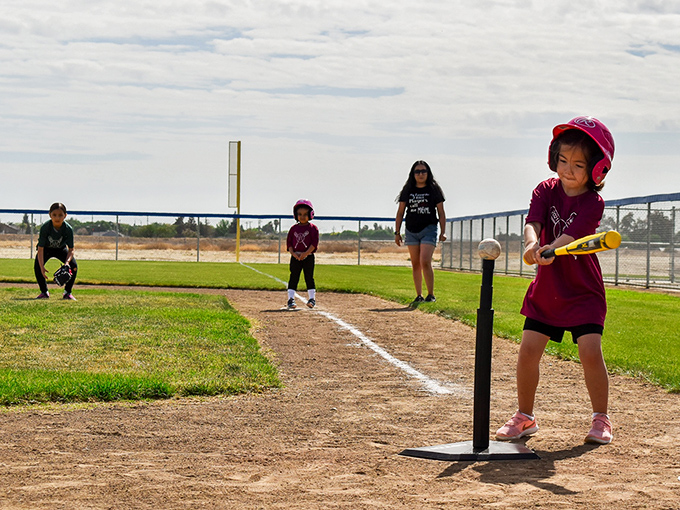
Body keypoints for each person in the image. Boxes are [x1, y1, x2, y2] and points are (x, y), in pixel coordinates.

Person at [495, 116, 616, 445]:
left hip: (582, 290)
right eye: (562, 160)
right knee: (528, 351)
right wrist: (532, 244)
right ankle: (525, 416)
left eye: (578, 164)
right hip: (548, 289)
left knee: (590, 351)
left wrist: (551, 248)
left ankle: (601, 418)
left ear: (597, 169)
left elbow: (569, 236)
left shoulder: (593, 201)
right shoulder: (545, 190)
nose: (568, 169)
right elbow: (533, 222)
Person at [395, 160, 446, 304]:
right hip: (411, 230)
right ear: (413, 174)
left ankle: (431, 294)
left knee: (425, 261)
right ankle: (419, 295)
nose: (420, 174)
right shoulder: (408, 190)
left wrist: (443, 232)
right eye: (417, 171)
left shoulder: (434, 189)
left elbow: (441, 213)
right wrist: (397, 232)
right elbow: (400, 212)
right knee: (416, 263)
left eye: (423, 171)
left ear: (428, 173)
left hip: (429, 229)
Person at [35, 202, 78, 300]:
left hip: (61, 249)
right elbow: (40, 248)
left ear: (65, 216)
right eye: (54, 215)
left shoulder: (68, 229)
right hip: (46, 249)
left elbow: (71, 250)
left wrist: (67, 263)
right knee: (37, 266)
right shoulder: (45, 227)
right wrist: (41, 267)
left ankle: (67, 293)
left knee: (73, 266)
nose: (57, 218)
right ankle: (44, 292)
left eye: (60, 215)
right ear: (50, 215)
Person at [286, 199, 319, 310]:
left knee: (309, 277)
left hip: (308, 257)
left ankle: (312, 299)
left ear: (310, 214)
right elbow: (289, 243)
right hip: (295, 257)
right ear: (296, 215)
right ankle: (291, 299)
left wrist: (305, 253)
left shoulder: (313, 229)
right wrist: (293, 254)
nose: (302, 216)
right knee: (293, 277)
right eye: (299, 214)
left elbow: (314, 244)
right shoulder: (293, 229)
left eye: (305, 214)